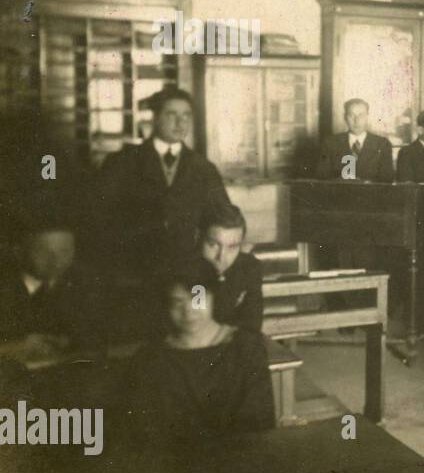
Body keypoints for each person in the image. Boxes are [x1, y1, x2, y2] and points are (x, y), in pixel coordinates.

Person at [122, 261, 276, 442]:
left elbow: (259, 424)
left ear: (212, 296)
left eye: (197, 298)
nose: (188, 312)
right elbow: (144, 432)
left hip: (237, 460)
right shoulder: (150, 358)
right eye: (177, 302)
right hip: (173, 465)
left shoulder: (246, 347)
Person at [94, 86, 230, 269]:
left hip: (185, 271)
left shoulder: (204, 168)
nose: (180, 123)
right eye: (171, 115)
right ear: (155, 118)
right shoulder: (122, 162)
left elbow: (222, 217)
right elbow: (100, 218)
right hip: (133, 270)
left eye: (186, 116)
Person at [0, 220, 104, 364]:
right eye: (43, 252)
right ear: (18, 252)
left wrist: (67, 341)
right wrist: (18, 345)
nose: (56, 260)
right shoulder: (5, 284)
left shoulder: (85, 283)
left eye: (65, 251)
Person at [199, 202, 263, 334]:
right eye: (213, 245)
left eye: (232, 247)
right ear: (197, 237)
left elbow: (252, 323)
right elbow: (197, 325)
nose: (221, 257)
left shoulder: (250, 268)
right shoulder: (188, 271)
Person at [316, 97, 394, 182]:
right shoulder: (330, 143)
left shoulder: (382, 144)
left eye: (361, 115)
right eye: (351, 115)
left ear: (367, 117)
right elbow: (322, 176)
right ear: (345, 117)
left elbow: (387, 179)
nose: (356, 120)